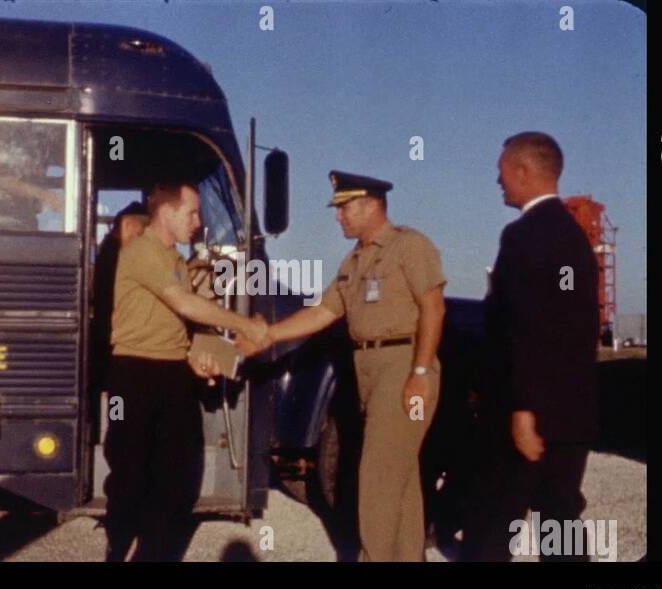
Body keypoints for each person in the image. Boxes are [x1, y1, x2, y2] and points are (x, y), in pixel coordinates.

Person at [239, 171, 447, 562]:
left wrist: (419, 374)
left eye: (344, 207)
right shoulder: (355, 260)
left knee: (377, 480)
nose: (338, 217)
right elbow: (322, 312)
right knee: (399, 481)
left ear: (370, 204)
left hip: (404, 366)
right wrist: (269, 335)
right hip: (370, 370)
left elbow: (434, 307)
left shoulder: (410, 246)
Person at [103, 181, 269, 562]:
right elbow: (186, 304)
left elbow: (177, 321)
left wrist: (197, 356)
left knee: (177, 478)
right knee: (130, 473)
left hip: (173, 373)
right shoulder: (143, 251)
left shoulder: (176, 260)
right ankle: (116, 551)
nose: (197, 222)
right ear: (166, 212)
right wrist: (246, 326)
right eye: (192, 212)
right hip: (134, 373)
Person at [461, 132, 600, 562]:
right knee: (559, 522)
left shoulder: (523, 236)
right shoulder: (576, 239)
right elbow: (573, 334)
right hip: (569, 415)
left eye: (501, 170)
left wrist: (522, 411)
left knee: (489, 531)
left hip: (526, 418)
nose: (497, 180)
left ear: (523, 171)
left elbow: (523, 330)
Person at [87, 201, 150, 430]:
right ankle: (118, 428)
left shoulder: (109, 252)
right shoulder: (117, 256)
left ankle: (115, 427)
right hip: (114, 340)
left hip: (109, 337)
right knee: (118, 396)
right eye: (142, 232)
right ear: (129, 226)